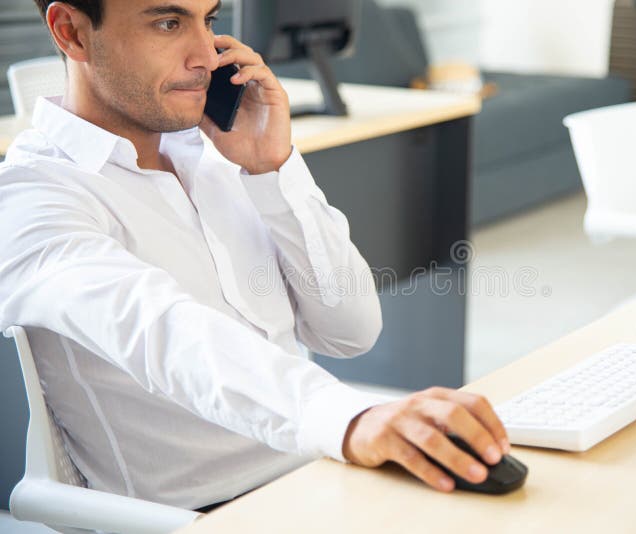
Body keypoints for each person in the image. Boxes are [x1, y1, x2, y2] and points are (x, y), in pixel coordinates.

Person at [0, 0, 510, 511]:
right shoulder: (33, 199)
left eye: (211, 21)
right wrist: (349, 418)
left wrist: (272, 169)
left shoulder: (216, 152)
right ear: (72, 33)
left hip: (323, 474)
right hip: (209, 514)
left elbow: (350, 330)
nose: (206, 55)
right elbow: (164, 330)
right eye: (169, 23)